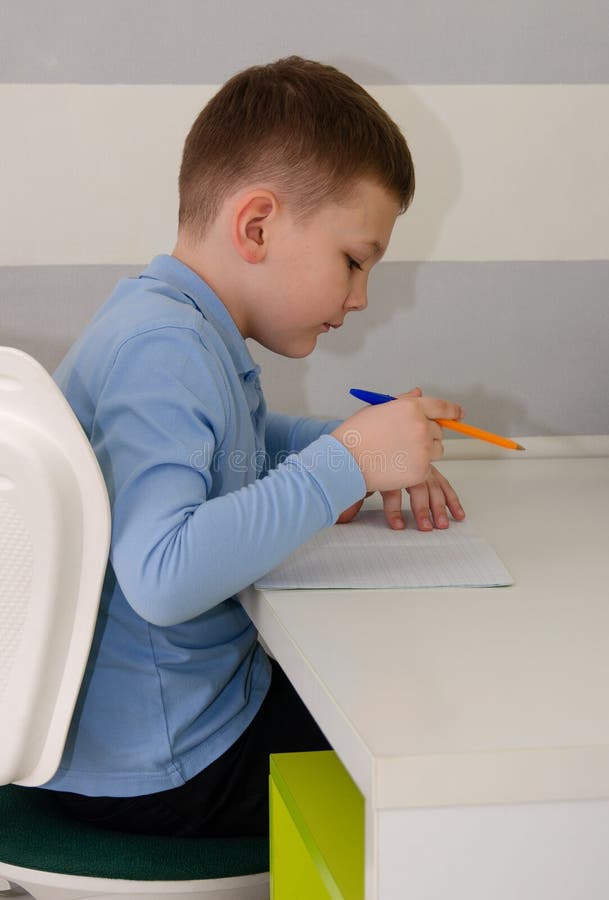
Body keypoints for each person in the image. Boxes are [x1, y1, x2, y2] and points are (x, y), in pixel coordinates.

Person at [44, 56, 465, 837]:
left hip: (150, 729)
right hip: (166, 762)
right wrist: (347, 461)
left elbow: (231, 445)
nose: (360, 297)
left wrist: (350, 446)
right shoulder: (166, 349)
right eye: (353, 261)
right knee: (427, 747)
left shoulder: (168, 324)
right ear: (257, 226)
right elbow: (163, 576)